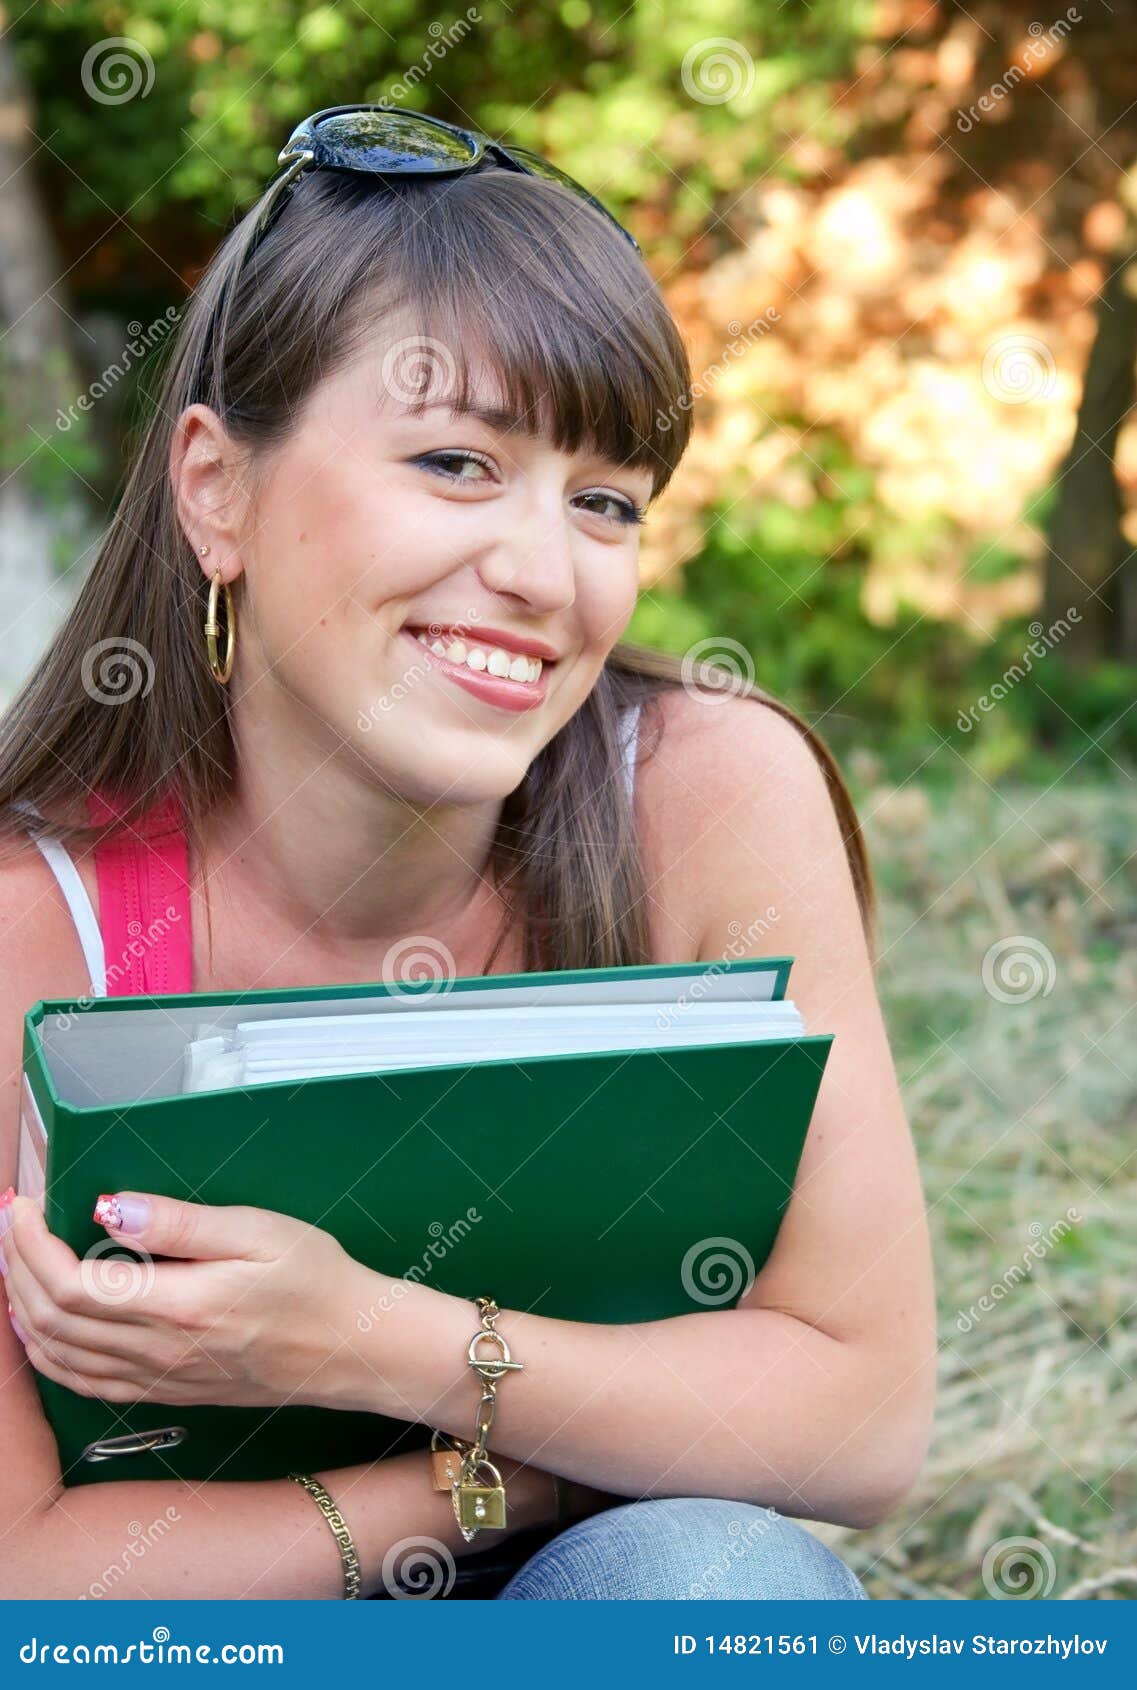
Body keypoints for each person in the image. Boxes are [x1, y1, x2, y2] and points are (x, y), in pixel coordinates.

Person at [0, 106, 935, 1601]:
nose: (541, 573)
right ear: (213, 489)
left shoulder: (706, 793)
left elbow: (861, 1417)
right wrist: (491, 1473)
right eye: (453, 461)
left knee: (705, 1576)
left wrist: (370, 1338)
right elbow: (20, 1579)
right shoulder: (33, 925)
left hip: (592, 1608)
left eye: (604, 502)